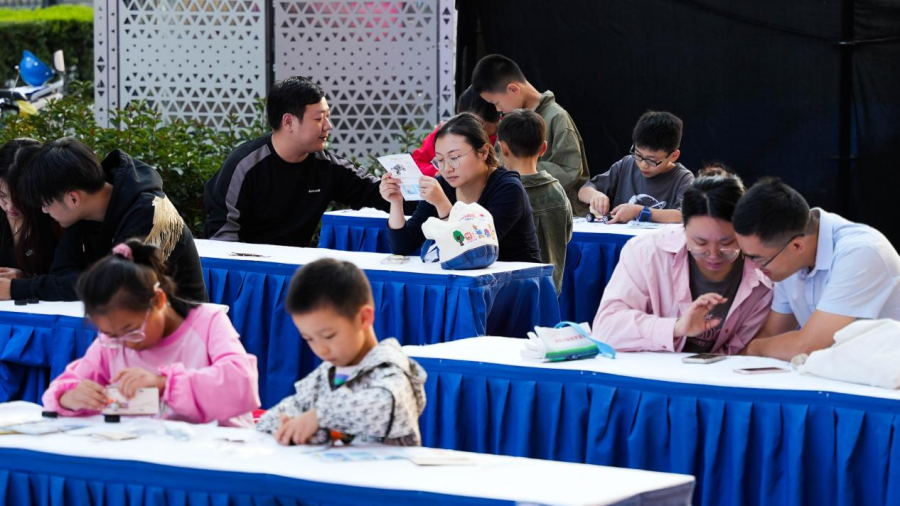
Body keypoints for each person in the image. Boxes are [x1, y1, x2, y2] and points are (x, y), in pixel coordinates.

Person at [42, 240, 260, 427]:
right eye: (111, 335)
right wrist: (68, 397)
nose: (126, 344)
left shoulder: (208, 323)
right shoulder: (113, 341)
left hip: (214, 452)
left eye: (131, 331)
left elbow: (242, 384)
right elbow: (61, 388)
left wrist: (163, 382)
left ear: (158, 300)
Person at [592, 170, 773, 354]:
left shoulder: (763, 275)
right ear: (683, 228)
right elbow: (606, 329)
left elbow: (740, 351)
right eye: (700, 243)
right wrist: (676, 328)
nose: (713, 254)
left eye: (726, 243)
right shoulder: (647, 252)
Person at [9, 138, 207, 302]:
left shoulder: (154, 213)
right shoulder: (82, 214)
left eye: (45, 203)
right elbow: (61, 273)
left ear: (73, 198)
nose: (44, 210)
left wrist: (18, 289)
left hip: (181, 334)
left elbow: (117, 286)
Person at [204, 76, 391, 247]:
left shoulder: (327, 166)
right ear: (288, 122)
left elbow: (377, 192)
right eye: (319, 118)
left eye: (328, 116)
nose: (328, 126)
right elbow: (222, 238)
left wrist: (413, 193)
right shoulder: (243, 166)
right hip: (249, 274)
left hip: (297, 273)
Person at [257, 258, 427, 446]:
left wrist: (319, 417)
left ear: (364, 318)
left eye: (329, 336)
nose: (321, 349)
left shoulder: (391, 368)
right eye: (309, 339)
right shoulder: (326, 373)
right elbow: (281, 412)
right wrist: (287, 424)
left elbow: (386, 405)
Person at [733, 178, 900, 360]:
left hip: (886, 380)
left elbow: (809, 345)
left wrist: (754, 348)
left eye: (759, 259)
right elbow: (773, 333)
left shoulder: (862, 252)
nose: (754, 268)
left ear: (797, 246)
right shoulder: (786, 256)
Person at [382, 112, 542, 263]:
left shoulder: (508, 189)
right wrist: (396, 202)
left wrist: (442, 205)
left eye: (454, 158)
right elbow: (403, 246)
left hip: (515, 284)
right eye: (440, 160)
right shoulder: (443, 185)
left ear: (484, 152)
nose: (447, 168)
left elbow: (473, 249)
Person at [471, 54, 590, 215]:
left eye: (496, 103)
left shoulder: (556, 117)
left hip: (557, 214)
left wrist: (521, 168)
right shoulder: (507, 121)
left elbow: (570, 169)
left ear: (513, 89)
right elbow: (498, 162)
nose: (498, 110)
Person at [497, 109, 572, 294]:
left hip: (515, 295)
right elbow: (567, 234)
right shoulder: (557, 189)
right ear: (543, 148)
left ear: (503, 147)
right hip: (552, 291)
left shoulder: (504, 193)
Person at [578, 111, 694, 224]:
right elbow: (583, 191)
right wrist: (596, 196)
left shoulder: (683, 178)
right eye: (638, 155)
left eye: (652, 160)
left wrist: (639, 211)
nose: (643, 164)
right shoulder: (626, 165)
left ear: (673, 156)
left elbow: (683, 215)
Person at [0, 139, 59, 279]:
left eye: (19, 199)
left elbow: (67, 279)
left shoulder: (57, 218)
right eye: (2, 196)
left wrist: (26, 279)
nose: (10, 206)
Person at [411, 86, 501, 177]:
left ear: (497, 121)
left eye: (480, 127)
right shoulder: (445, 133)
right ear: (458, 114)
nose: (470, 133)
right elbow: (415, 165)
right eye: (466, 124)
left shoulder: (508, 135)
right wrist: (440, 171)